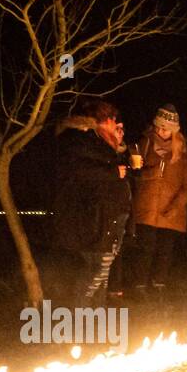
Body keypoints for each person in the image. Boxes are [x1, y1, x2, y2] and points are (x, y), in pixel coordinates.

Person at [51, 98, 133, 307]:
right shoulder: (80, 139)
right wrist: (113, 171)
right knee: (96, 271)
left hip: (109, 214)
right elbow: (81, 171)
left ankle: (96, 316)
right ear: (102, 120)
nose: (116, 123)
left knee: (102, 271)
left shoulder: (98, 141)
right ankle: (79, 319)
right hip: (94, 217)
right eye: (112, 119)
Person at [127, 103, 187, 301]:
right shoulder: (144, 143)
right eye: (158, 126)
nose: (160, 131)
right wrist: (146, 172)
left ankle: (158, 285)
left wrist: (176, 206)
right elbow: (135, 174)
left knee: (164, 251)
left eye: (165, 128)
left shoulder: (182, 151)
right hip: (147, 207)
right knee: (145, 249)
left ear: (174, 130)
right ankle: (139, 286)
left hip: (171, 210)